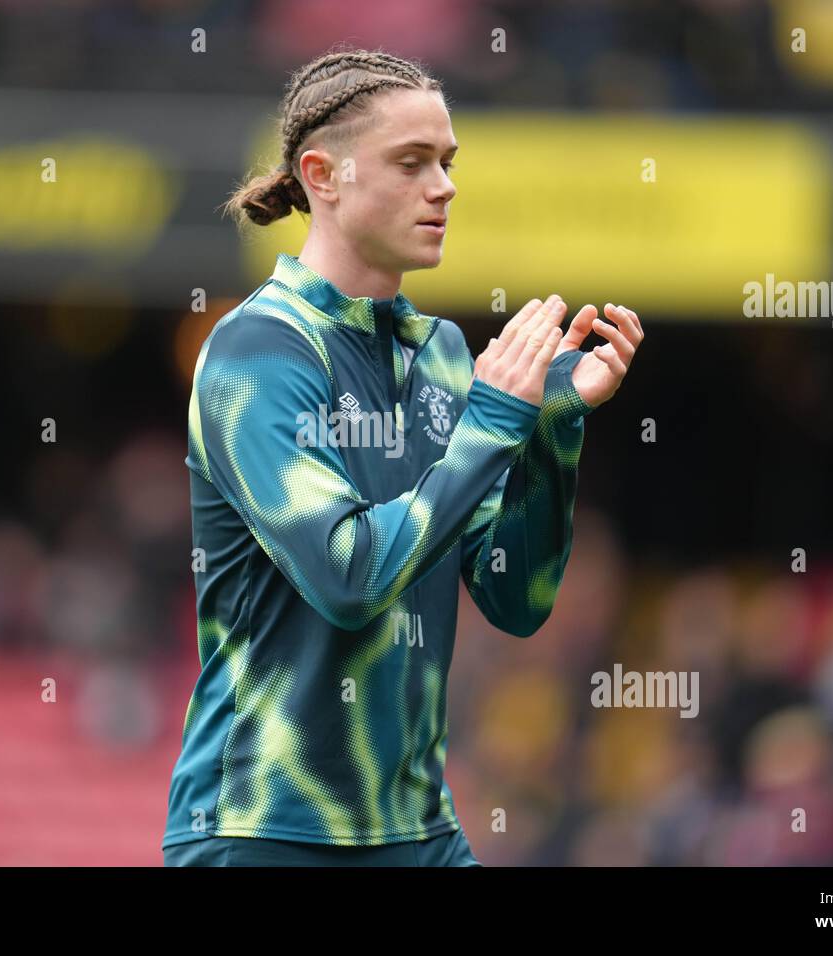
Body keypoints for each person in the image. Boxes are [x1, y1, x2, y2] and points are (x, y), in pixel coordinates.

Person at [162, 47, 643, 866]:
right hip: (261, 831)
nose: (444, 186)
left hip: (417, 832)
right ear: (323, 176)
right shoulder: (254, 355)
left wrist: (550, 428)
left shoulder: (446, 355)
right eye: (412, 162)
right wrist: (494, 421)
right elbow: (351, 578)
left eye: (447, 162)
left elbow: (514, 597)